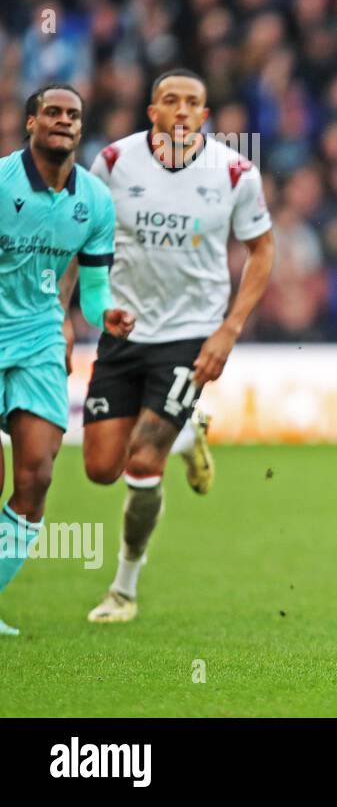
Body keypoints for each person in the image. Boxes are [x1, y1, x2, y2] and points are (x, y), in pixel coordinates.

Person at [79, 69, 275, 624]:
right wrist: (70, 307)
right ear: (152, 112)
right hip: (123, 328)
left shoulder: (235, 171)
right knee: (100, 468)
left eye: (193, 103)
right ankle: (190, 435)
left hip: (192, 334)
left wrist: (229, 329)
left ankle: (123, 588)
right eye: (171, 101)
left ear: (205, 117)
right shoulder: (114, 163)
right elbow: (85, 238)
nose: (182, 110)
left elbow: (262, 251)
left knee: (143, 462)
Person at [0, 84, 134, 636]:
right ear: (31, 123)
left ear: (81, 128)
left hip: (38, 341)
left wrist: (108, 317)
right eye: (51, 112)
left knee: (36, 475)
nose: (62, 120)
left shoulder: (96, 202)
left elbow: (95, 291)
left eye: (72, 115)